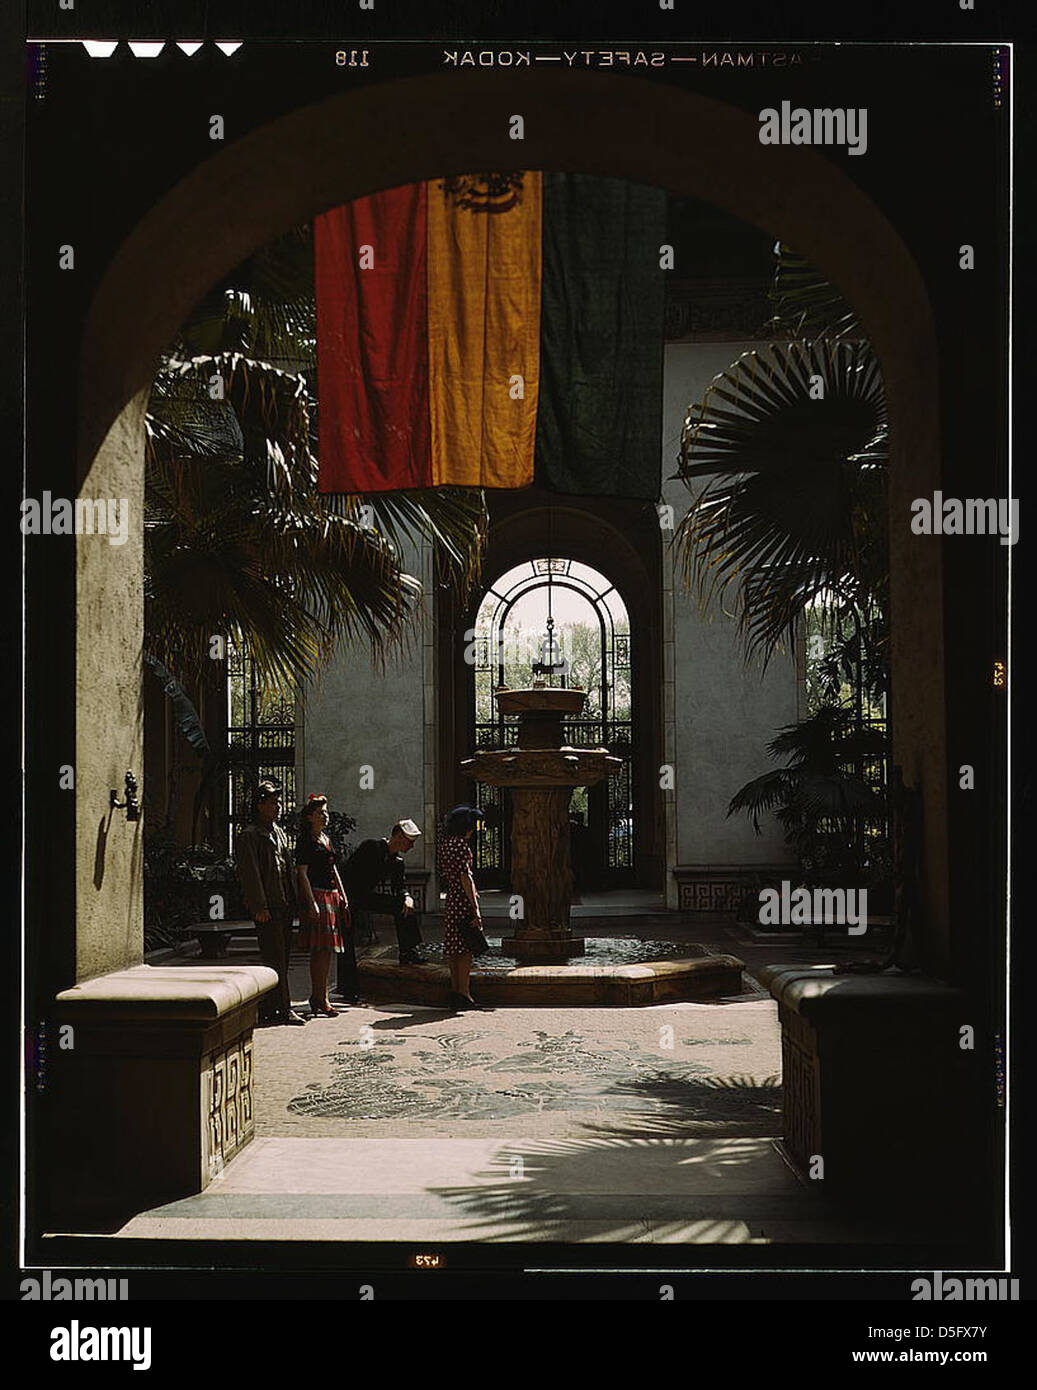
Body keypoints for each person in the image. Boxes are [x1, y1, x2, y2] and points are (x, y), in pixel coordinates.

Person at [235, 782, 306, 1026]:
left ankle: (270, 1007)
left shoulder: (279, 831)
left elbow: (288, 869)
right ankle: (283, 1009)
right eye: (273, 802)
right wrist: (259, 907)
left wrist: (297, 901)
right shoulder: (249, 835)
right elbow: (250, 874)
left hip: (284, 904)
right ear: (260, 805)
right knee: (273, 958)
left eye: (278, 802)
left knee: (282, 958)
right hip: (268, 906)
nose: (277, 807)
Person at [340, 819, 426, 970]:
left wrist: (407, 897)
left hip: (365, 897)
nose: (412, 846)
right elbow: (347, 874)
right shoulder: (371, 847)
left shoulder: (397, 862)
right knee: (347, 940)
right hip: (349, 896)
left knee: (402, 906)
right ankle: (348, 984)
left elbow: (399, 887)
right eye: (409, 842)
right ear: (399, 836)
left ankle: (408, 952)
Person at [294, 793, 351, 1017]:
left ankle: (321, 996)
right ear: (310, 817)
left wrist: (343, 894)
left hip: (332, 895)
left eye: (326, 812)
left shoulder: (326, 838)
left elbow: (333, 867)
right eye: (320, 813)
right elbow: (302, 873)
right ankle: (319, 997)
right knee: (319, 949)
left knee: (328, 950)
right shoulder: (306, 840)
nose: (325, 816)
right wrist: (311, 902)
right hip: (317, 895)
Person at [437, 804, 489, 1011]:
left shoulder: (446, 845)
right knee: (466, 947)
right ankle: (465, 993)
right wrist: (475, 908)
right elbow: (465, 877)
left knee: (454, 946)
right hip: (462, 899)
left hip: (452, 899)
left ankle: (456, 991)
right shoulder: (461, 846)